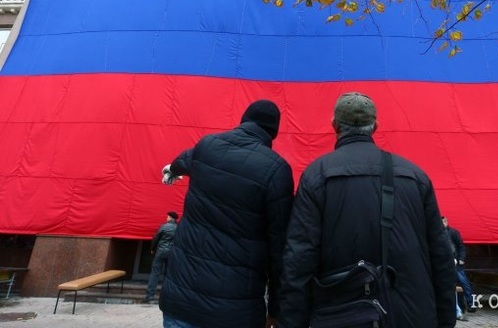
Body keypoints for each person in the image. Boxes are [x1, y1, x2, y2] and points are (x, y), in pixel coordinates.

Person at [279, 92, 457, 328]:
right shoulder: (415, 176)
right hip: (413, 314)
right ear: (375, 126)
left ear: (334, 125)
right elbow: (441, 254)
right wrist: (445, 318)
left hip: (343, 314)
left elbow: (299, 258)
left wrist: (291, 321)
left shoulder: (317, 175)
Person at [159, 99, 294, 328]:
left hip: (180, 303)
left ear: (243, 120)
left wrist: (172, 170)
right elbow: (279, 249)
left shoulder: (208, 146)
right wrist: (275, 309)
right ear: (273, 133)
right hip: (236, 311)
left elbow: (182, 160)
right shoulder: (276, 170)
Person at [442, 216, 476, 314]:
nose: (443, 223)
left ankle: (471, 303)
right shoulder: (437, 233)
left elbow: (461, 246)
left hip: (456, 262)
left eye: (444, 221)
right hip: (445, 263)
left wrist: (461, 258)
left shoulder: (453, 232)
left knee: (463, 282)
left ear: (447, 222)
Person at [145, 211, 178, 303]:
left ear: (171, 218)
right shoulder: (178, 228)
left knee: (155, 273)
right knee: (169, 275)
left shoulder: (164, 226)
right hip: (172, 253)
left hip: (160, 252)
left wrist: (152, 248)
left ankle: (149, 296)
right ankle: (167, 296)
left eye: (167, 217)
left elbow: (156, 238)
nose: (166, 218)